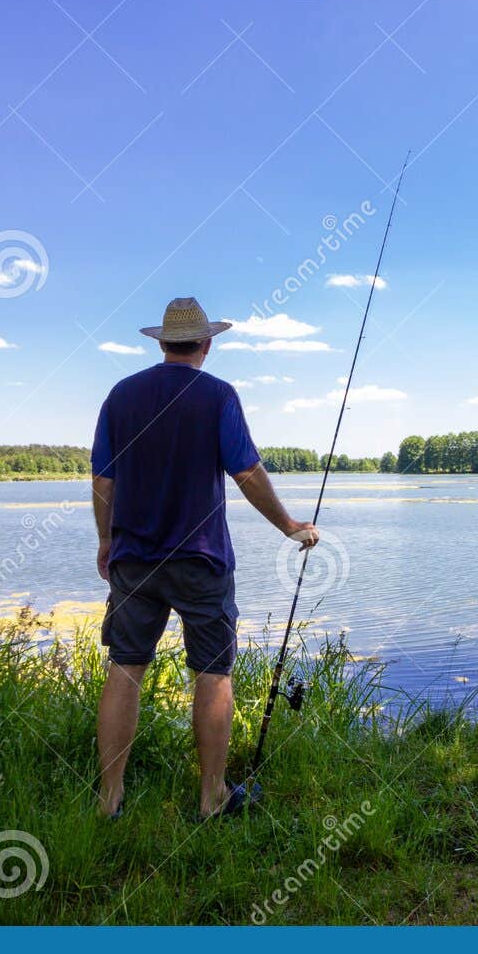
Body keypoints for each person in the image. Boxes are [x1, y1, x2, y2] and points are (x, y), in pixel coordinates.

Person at [89, 296, 318, 819]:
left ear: (162, 342)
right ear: (207, 344)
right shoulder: (218, 396)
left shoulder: (121, 396)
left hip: (133, 560)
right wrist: (289, 525)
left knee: (124, 668)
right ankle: (212, 795)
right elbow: (247, 471)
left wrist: (107, 541)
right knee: (213, 672)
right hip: (202, 559)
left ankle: (110, 799)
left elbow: (104, 479)